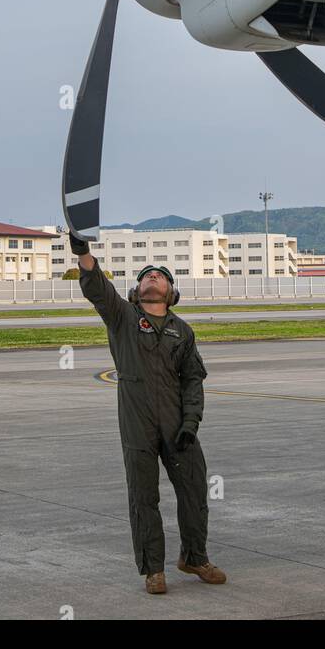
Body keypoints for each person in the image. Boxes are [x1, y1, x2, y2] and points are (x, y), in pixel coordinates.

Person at [72, 233, 227, 595]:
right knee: (144, 496)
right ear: (136, 290)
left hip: (177, 422)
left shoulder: (182, 331)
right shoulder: (123, 317)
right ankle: (153, 570)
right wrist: (83, 252)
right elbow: (98, 289)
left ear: (171, 292)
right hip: (136, 419)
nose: (153, 276)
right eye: (146, 275)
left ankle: (195, 557)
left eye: (160, 275)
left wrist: (191, 423)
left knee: (194, 490)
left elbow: (193, 380)